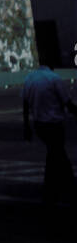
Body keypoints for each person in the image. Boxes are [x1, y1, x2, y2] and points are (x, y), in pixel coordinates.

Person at [22, 64, 77, 207]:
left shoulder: (30, 78)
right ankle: (62, 187)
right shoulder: (54, 78)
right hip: (54, 123)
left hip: (39, 123)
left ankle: (55, 187)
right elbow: (67, 102)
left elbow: (25, 104)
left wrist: (27, 126)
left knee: (55, 153)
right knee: (58, 153)